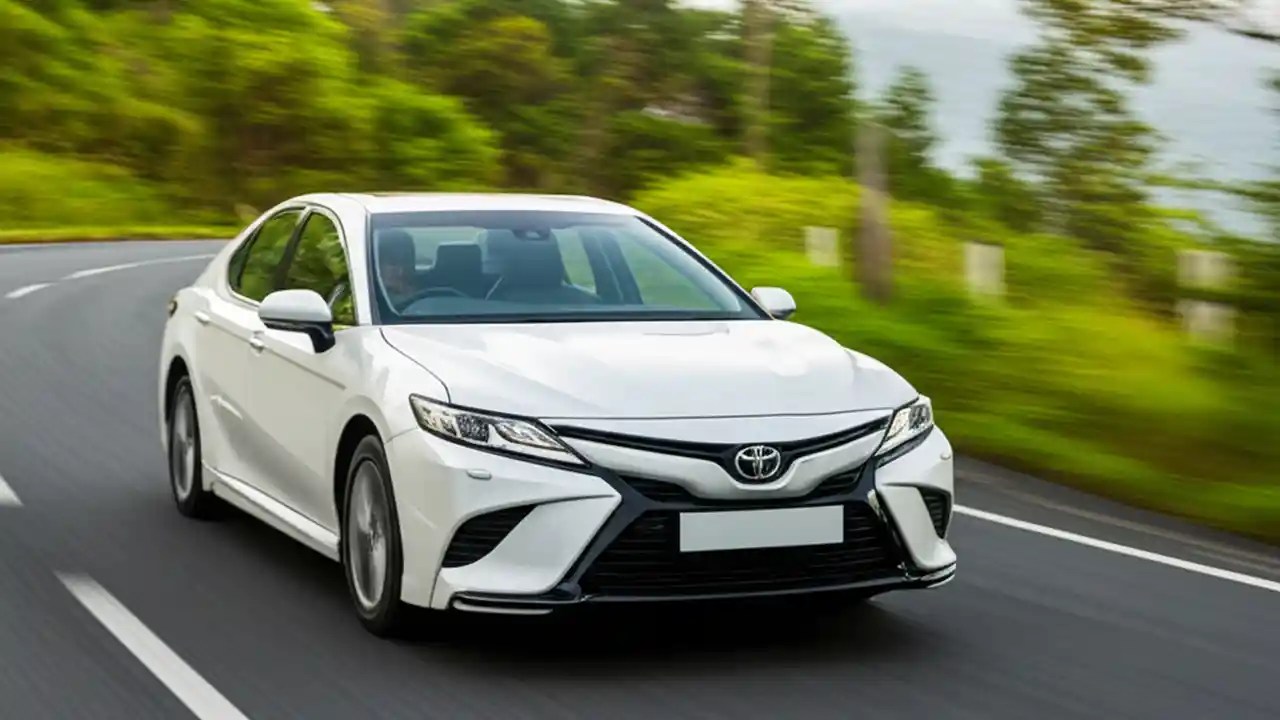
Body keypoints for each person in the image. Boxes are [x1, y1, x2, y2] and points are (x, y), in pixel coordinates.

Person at [376, 230, 417, 310]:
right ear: (378, 264)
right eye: (393, 264)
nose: (400, 271)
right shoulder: (366, 297)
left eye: (406, 262)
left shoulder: (423, 295)